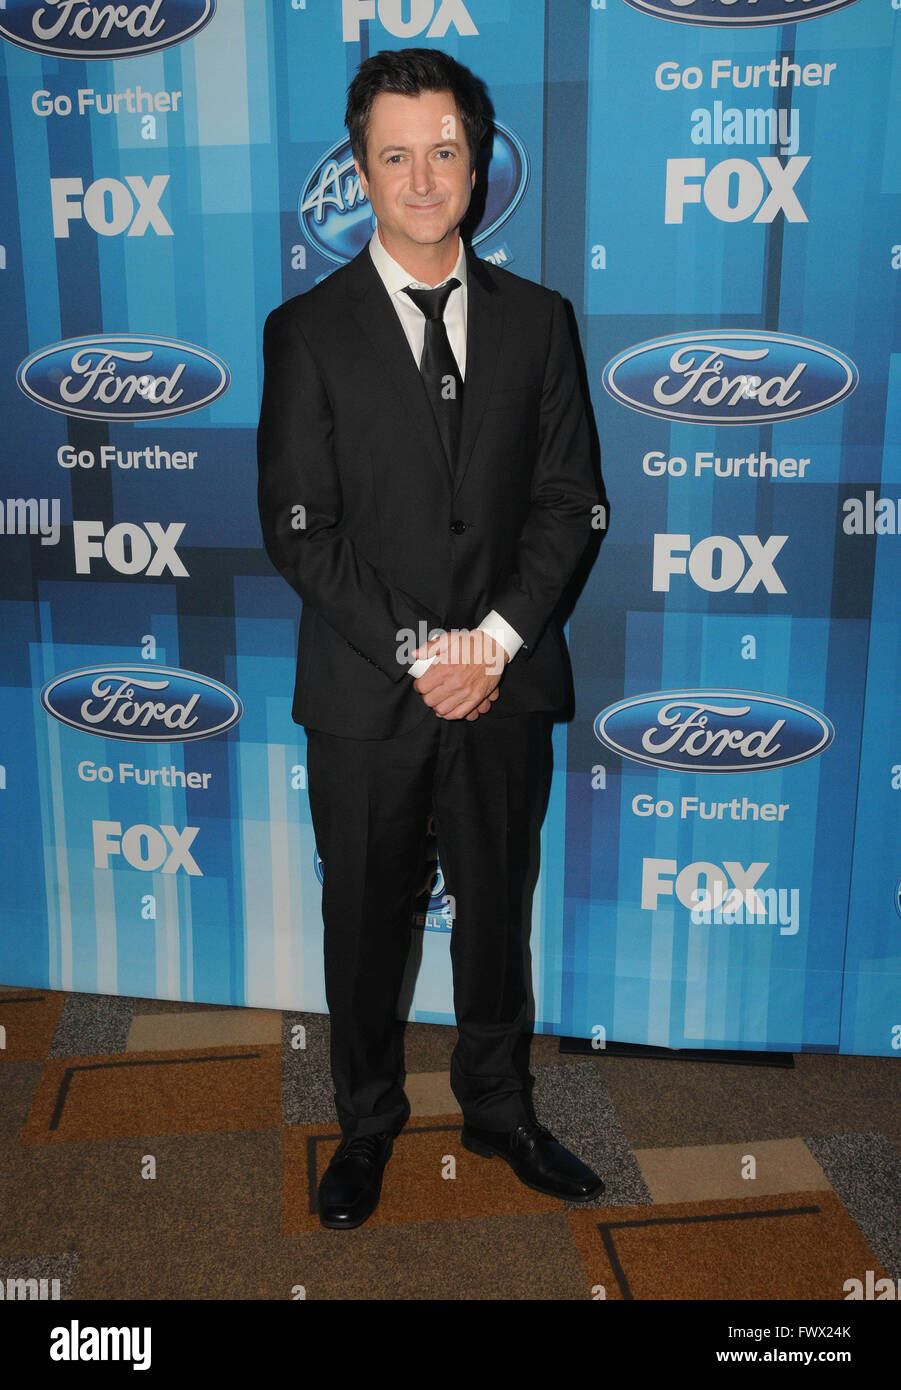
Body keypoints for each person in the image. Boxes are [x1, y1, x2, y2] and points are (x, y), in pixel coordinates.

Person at [257, 47, 604, 1230]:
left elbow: (570, 503)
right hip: (367, 693)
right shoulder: (304, 332)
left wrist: (492, 643)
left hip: (503, 686)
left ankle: (499, 1109)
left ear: (478, 160)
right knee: (363, 920)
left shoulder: (541, 322)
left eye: (442, 151)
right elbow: (301, 530)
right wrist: (422, 652)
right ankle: (363, 1123)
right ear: (359, 171)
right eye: (395, 155)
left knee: (497, 909)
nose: (421, 178)